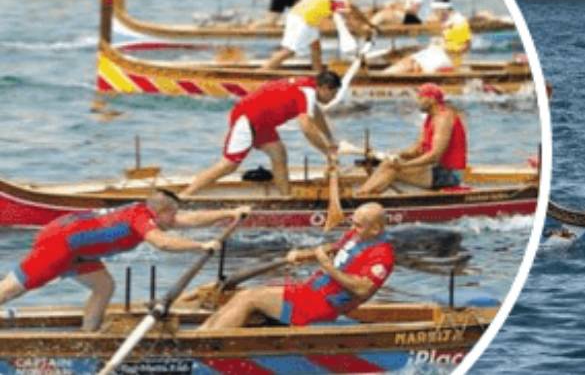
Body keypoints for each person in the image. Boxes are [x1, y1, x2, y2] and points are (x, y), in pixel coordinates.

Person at [0, 191, 246, 331]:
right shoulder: (141, 219)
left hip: (77, 247)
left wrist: (229, 213)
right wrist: (200, 245)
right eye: (173, 214)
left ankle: (87, 336)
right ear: (160, 212)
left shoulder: (147, 213)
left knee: (104, 286)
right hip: (59, 244)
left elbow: (191, 219)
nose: (176, 219)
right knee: (11, 290)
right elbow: (162, 243)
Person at [199, 203, 393, 330]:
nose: (352, 229)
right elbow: (333, 248)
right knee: (241, 295)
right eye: (352, 223)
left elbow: (362, 289)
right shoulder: (357, 235)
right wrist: (304, 254)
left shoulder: (382, 255)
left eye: (358, 225)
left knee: (249, 298)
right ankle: (201, 334)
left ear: (376, 229)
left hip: (321, 307)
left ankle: (208, 345)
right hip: (309, 293)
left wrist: (327, 266)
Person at [182, 71, 343, 198]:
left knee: (279, 154)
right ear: (324, 88)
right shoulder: (307, 92)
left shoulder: (310, 86)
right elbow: (306, 127)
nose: (334, 98)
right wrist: (327, 152)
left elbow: (316, 114)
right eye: (334, 94)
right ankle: (185, 195)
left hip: (263, 123)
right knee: (229, 165)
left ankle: (285, 198)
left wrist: (330, 139)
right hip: (247, 119)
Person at [358, 84, 468, 194]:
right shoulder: (431, 117)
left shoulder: (443, 119)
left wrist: (403, 165)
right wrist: (394, 155)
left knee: (392, 168)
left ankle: (363, 196)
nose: (417, 101)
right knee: (389, 163)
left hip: (449, 175)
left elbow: (435, 155)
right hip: (434, 169)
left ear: (432, 99)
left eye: (421, 97)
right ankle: (364, 194)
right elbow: (417, 149)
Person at [264, 0, 375, 71]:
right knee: (289, 51)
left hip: (308, 20)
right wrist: (364, 33)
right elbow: (348, 18)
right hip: (301, 20)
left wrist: (369, 24)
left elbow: (352, 8)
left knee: (316, 49)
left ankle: (318, 74)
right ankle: (263, 72)